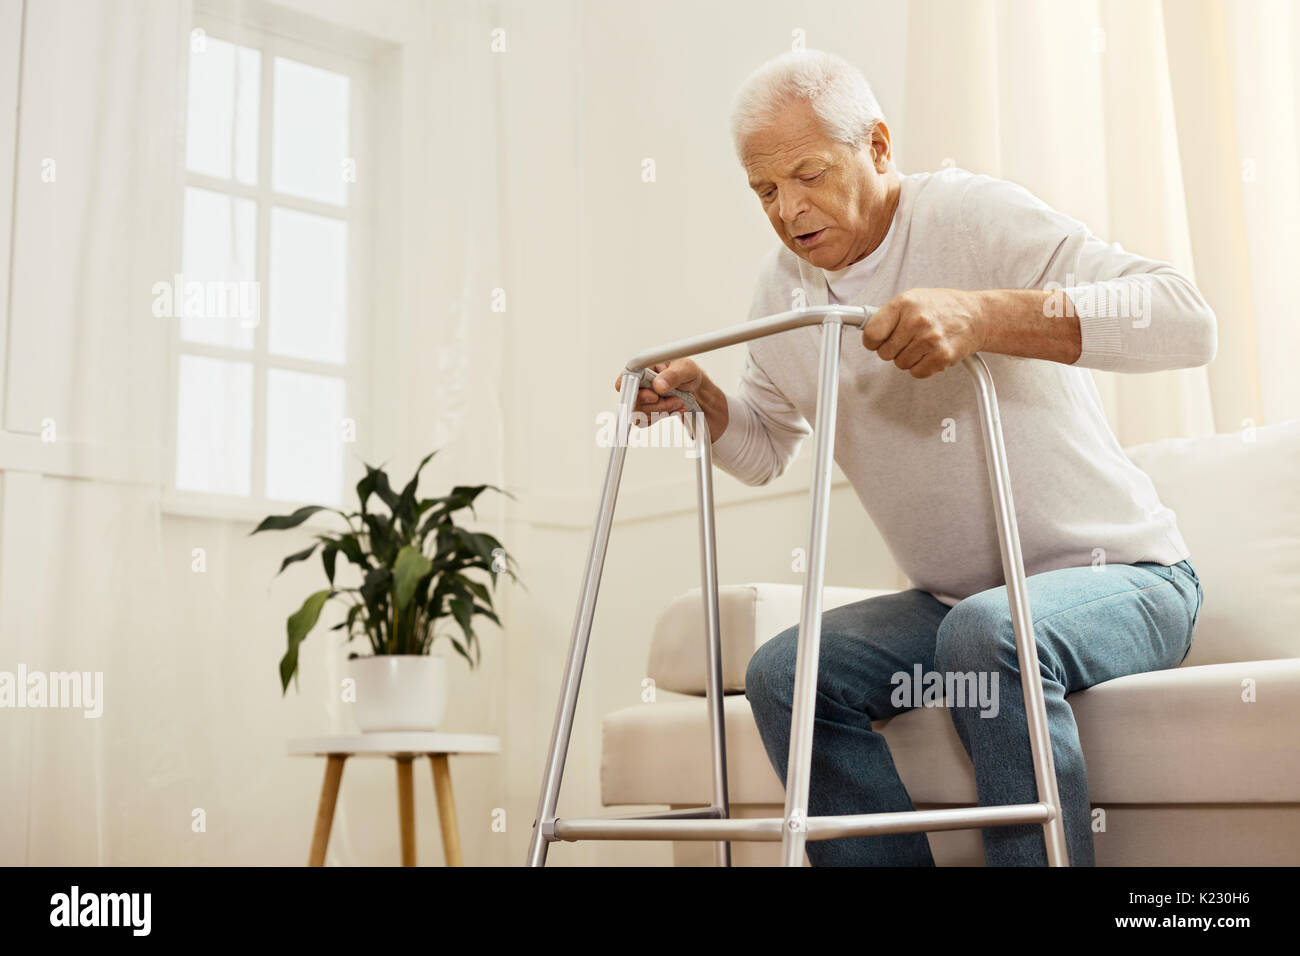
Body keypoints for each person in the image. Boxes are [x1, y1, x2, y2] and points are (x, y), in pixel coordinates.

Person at [617, 49, 1211, 866]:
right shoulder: (782, 291)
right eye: (765, 190)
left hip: (1132, 579)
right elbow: (761, 452)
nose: (789, 210)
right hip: (955, 601)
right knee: (785, 672)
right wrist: (710, 408)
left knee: (985, 632)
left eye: (809, 174)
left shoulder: (970, 215)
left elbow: (1185, 318)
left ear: (880, 146)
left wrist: (983, 315)